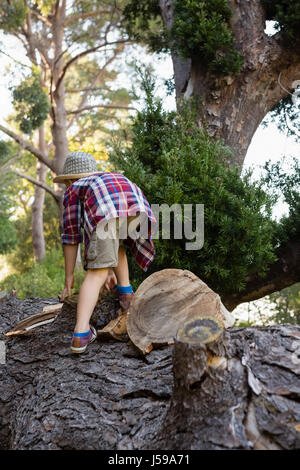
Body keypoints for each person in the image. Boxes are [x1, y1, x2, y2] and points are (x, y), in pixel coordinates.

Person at [53, 151, 156, 354]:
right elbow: (110, 238)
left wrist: (69, 277)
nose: (67, 186)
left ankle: (81, 333)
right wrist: (109, 268)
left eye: (67, 182)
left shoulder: (74, 189)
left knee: (96, 275)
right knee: (117, 244)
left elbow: (71, 236)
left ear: (72, 179)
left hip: (111, 218)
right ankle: (126, 295)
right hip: (139, 211)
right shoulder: (107, 178)